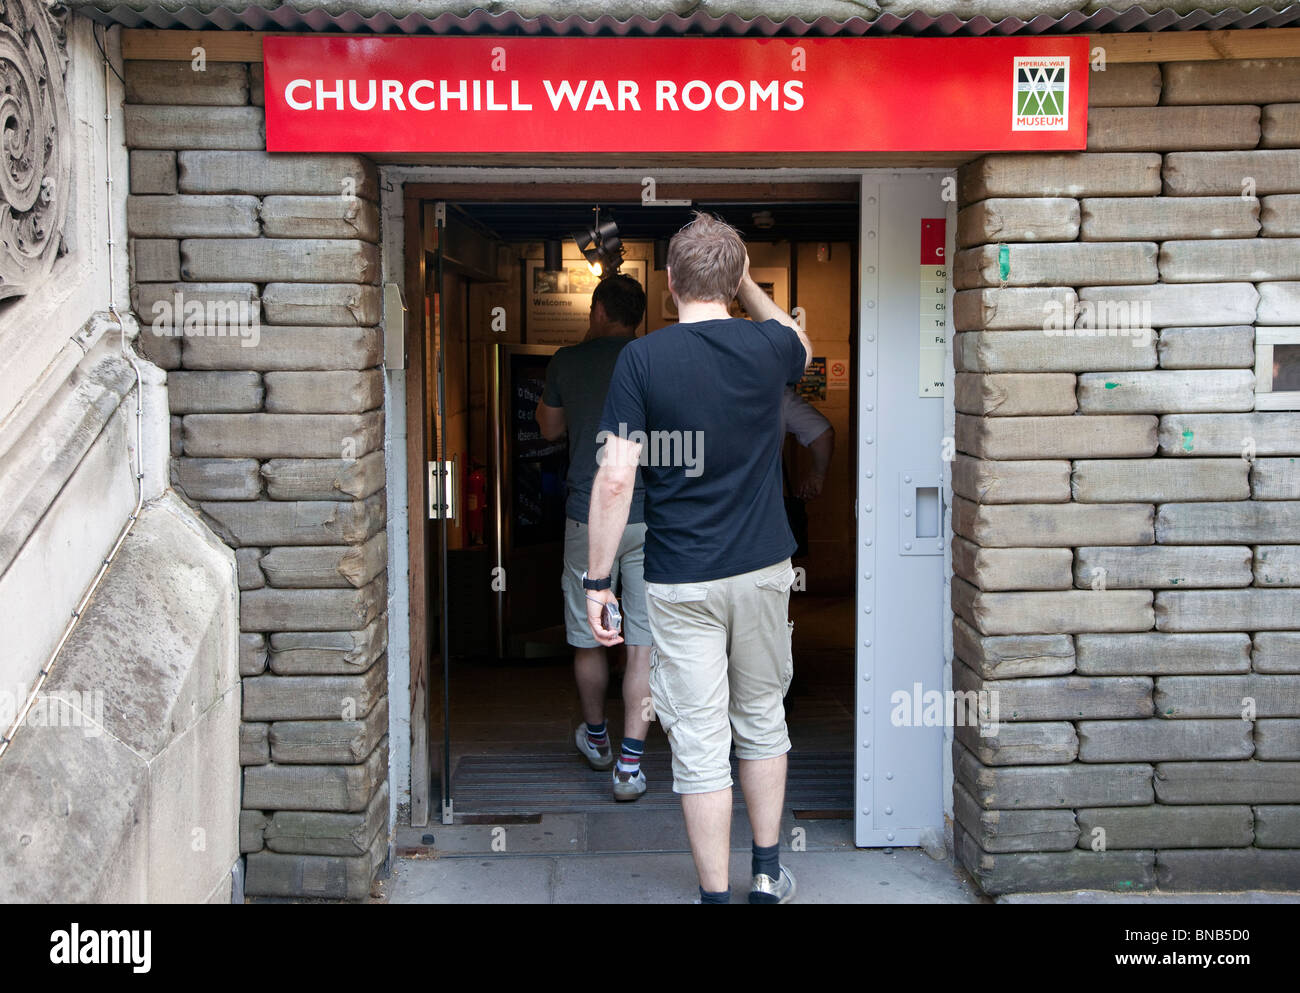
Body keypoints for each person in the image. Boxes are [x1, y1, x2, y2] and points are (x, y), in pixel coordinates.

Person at [584, 213, 812, 904]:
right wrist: (749, 284)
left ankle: (716, 895)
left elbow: (616, 477)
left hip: (682, 579)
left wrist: (598, 580)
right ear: (734, 278)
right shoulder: (770, 347)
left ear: (669, 282)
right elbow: (799, 338)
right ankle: (767, 874)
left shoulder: (643, 359)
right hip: (765, 569)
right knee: (764, 718)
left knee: (701, 738)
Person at [536, 274, 653, 802]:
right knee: (642, 645)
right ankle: (629, 765)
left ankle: (598, 739)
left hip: (589, 515)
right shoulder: (653, 358)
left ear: (599, 310)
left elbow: (548, 430)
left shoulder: (568, 360)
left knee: (589, 634)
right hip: (651, 517)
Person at [780, 387, 835, 559]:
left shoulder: (700, 390)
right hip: (764, 517)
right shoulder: (776, 393)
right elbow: (823, 435)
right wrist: (817, 476)